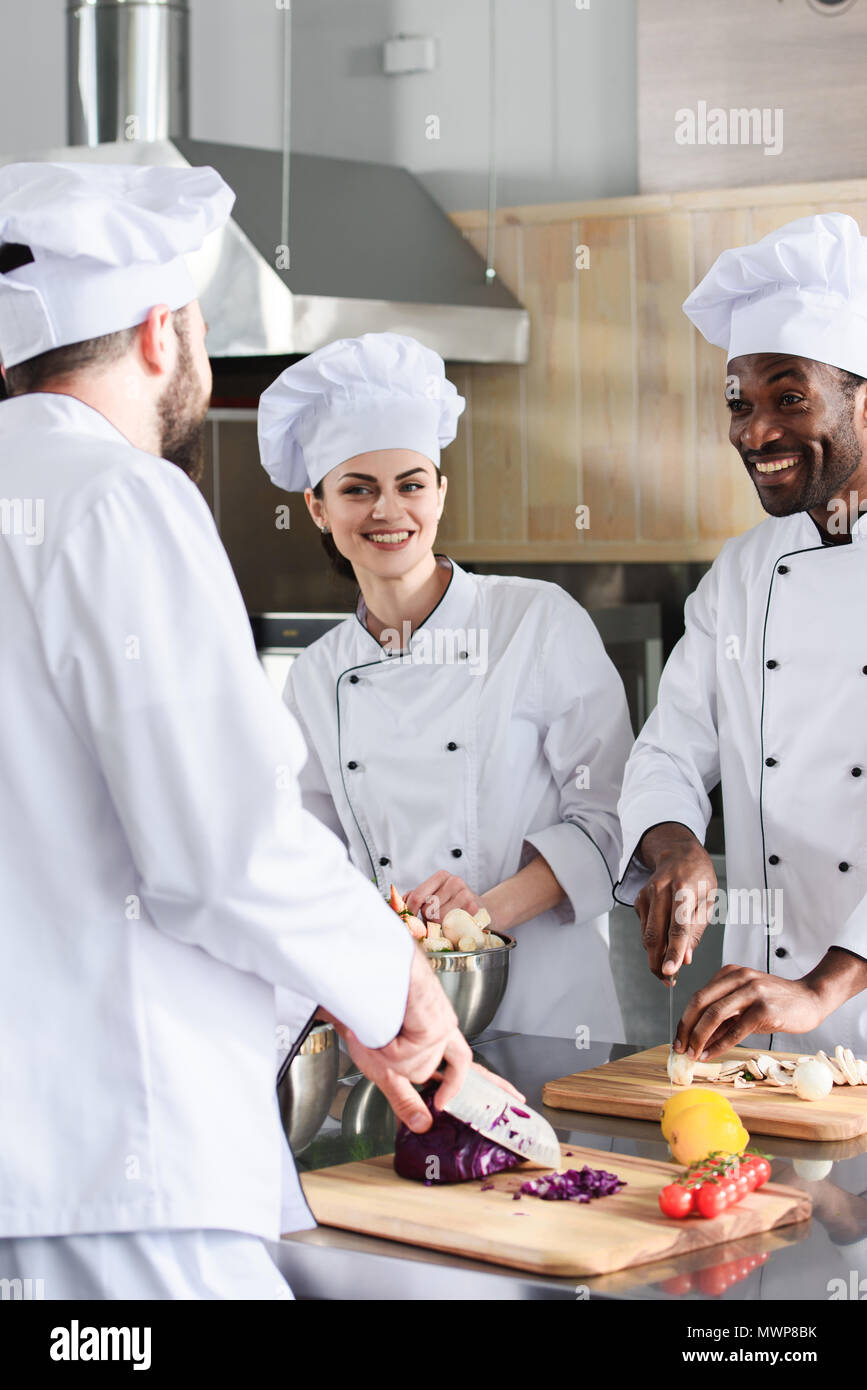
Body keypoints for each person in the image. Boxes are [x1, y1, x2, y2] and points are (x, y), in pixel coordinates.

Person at [0, 162, 485, 1301]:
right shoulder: (120, 497)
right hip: (120, 1176)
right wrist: (393, 981)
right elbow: (219, 853)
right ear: (164, 333)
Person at [257, 333, 634, 1041]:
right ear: (316, 507)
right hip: (394, 1016)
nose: (387, 511)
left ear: (440, 491)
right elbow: (311, 863)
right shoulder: (316, 676)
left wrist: (477, 915)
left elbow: (610, 820)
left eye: (410, 484)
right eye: (356, 489)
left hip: (546, 1013)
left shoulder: (535, 621)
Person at [617, 213, 867, 1062]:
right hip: (761, 1027)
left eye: (788, 398)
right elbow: (668, 750)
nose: (754, 433)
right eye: (739, 403)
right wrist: (677, 849)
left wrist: (824, 987)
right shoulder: (740, 572)